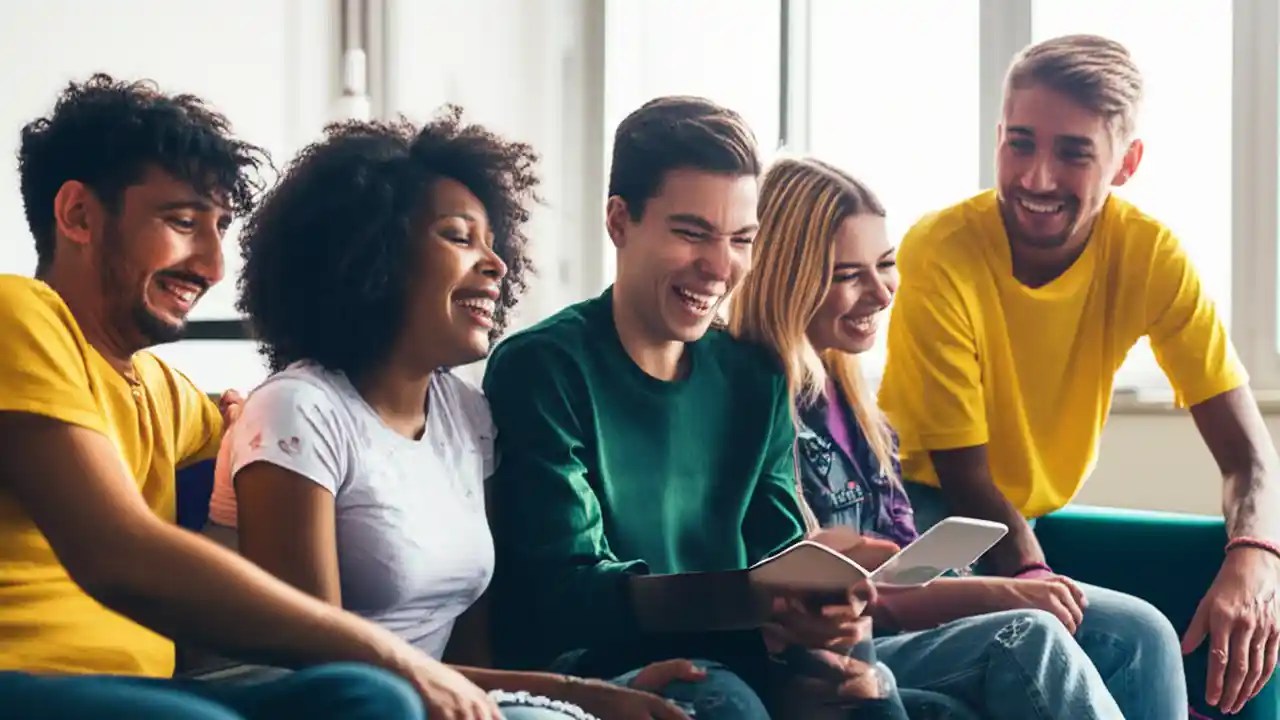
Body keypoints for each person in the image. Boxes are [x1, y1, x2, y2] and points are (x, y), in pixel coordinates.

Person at [0, 74, 510, 720]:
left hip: (148, 689)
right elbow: (117, 555)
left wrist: (245, 420)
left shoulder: (159, 392)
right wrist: (392, 651)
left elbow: (244, 420)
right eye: (182, 223)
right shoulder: (16, 314)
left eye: (220, 229)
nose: (212, 266)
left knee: (368, 697)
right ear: (77, 215)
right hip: (23, 676)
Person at [207, 109, 696, 720]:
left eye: (494, 244)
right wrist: (574, 696)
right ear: (375, 253)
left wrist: (572, 692)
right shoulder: (297, 410)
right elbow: (320, 666)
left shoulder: (468, 414)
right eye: (460, 238)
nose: (495, 265)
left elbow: (471, 643)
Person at [876, 33, 1280, 717]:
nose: (1037, 177)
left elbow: (1248, 454)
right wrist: (1035, 582)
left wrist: (1256, 553)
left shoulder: (1149, 254)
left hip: (1029, 519)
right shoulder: (940, 250)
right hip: (920, 523)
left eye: (1073, 152)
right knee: (1130, 634)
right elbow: (967, 480)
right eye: (1021, 143)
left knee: (1205, 612)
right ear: (998, 135)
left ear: (1127, 163)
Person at [481, 95, 911, 719]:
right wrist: (765, 608)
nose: (720, 266)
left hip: (742, 651)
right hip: (604, 663)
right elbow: (569, 590)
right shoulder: (542, 369)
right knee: (724, 698)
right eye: (691, 233)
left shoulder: (755, 375)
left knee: (873, 693)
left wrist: (823, 623)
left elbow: (785, 555)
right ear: (620, 221)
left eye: (741, 239)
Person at [730, 155, 1130, 718]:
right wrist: (1000, 592)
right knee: (1028, 636)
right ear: (788, 277)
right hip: (834, 649)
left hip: (893, 627)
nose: (883, 293)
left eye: (886, 264)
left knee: (1135, 634)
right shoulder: (755, 399)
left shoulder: (855, 398)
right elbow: (847, 596)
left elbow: (896, 554)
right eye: (848, 275)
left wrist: (946, 570)